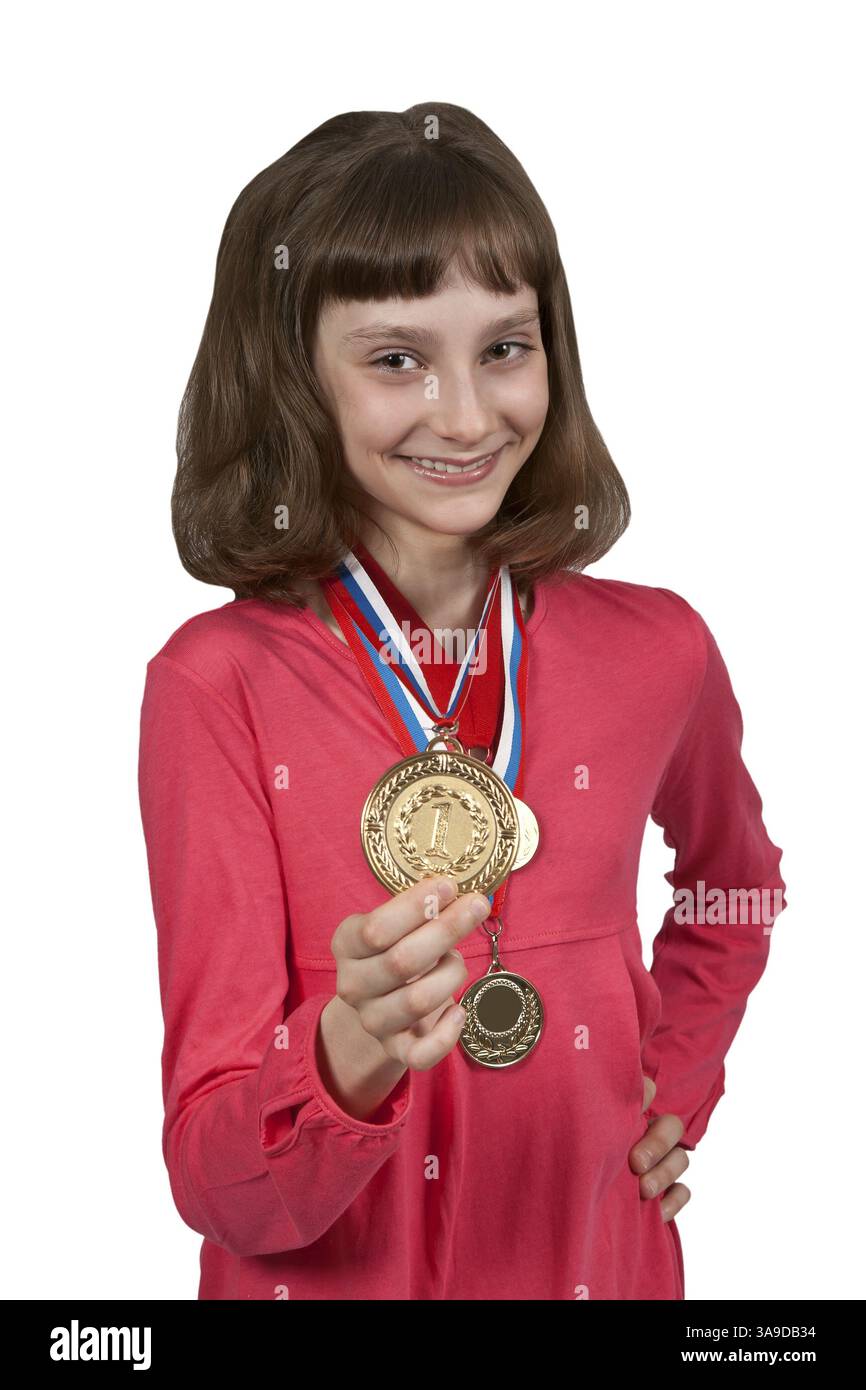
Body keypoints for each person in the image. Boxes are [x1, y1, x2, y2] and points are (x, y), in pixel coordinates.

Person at [137, 103, 786, 1300]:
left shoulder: (660, 651)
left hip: (595, 1267)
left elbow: (733, 886)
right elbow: (212, 1177)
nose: (466, 414)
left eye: (504, 347)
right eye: (396, 358)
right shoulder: (212, 686)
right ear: (293, 375)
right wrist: (345, 1052)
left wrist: (672, 1082)